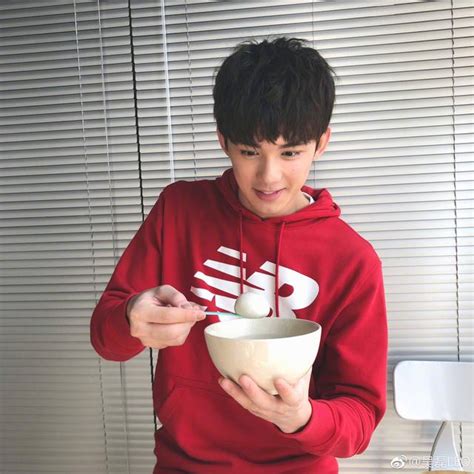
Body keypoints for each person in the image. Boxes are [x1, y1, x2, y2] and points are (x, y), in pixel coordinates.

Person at [90, 36, 388, 473]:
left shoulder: (352, 260)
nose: (269, 176)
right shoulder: (179, 210)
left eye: (290, 152)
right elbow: (106, 338)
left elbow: (359, 418)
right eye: (250, 152)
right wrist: (131, 319)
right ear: (223, 140)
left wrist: (302, 418)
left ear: (321, 142)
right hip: (182, 464)